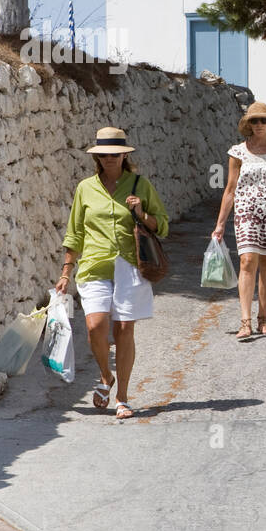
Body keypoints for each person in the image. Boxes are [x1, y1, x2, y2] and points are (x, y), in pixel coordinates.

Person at [57, 127, 169, 419]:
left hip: (131, 267)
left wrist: (142, 213)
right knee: (95, 326)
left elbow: (163, 224)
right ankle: (106, 375)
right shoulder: (85, 188)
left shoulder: (139, 184)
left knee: (124, 331)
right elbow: (75, 232)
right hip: (94, 265)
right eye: (104, 155)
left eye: (115, 154)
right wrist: (66, 272)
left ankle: (122, 397)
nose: (109, 159)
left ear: (124, 156)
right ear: (97, 157)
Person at [213, 102, 266, 340]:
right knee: (247, 260)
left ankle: (263, 319)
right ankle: (245, 322)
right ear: (248, 125)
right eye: (254, 121)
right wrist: (220, 224)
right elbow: (229, 190)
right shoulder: (237, 152)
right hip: (246, 213)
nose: (259, 125)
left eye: (263, 120)